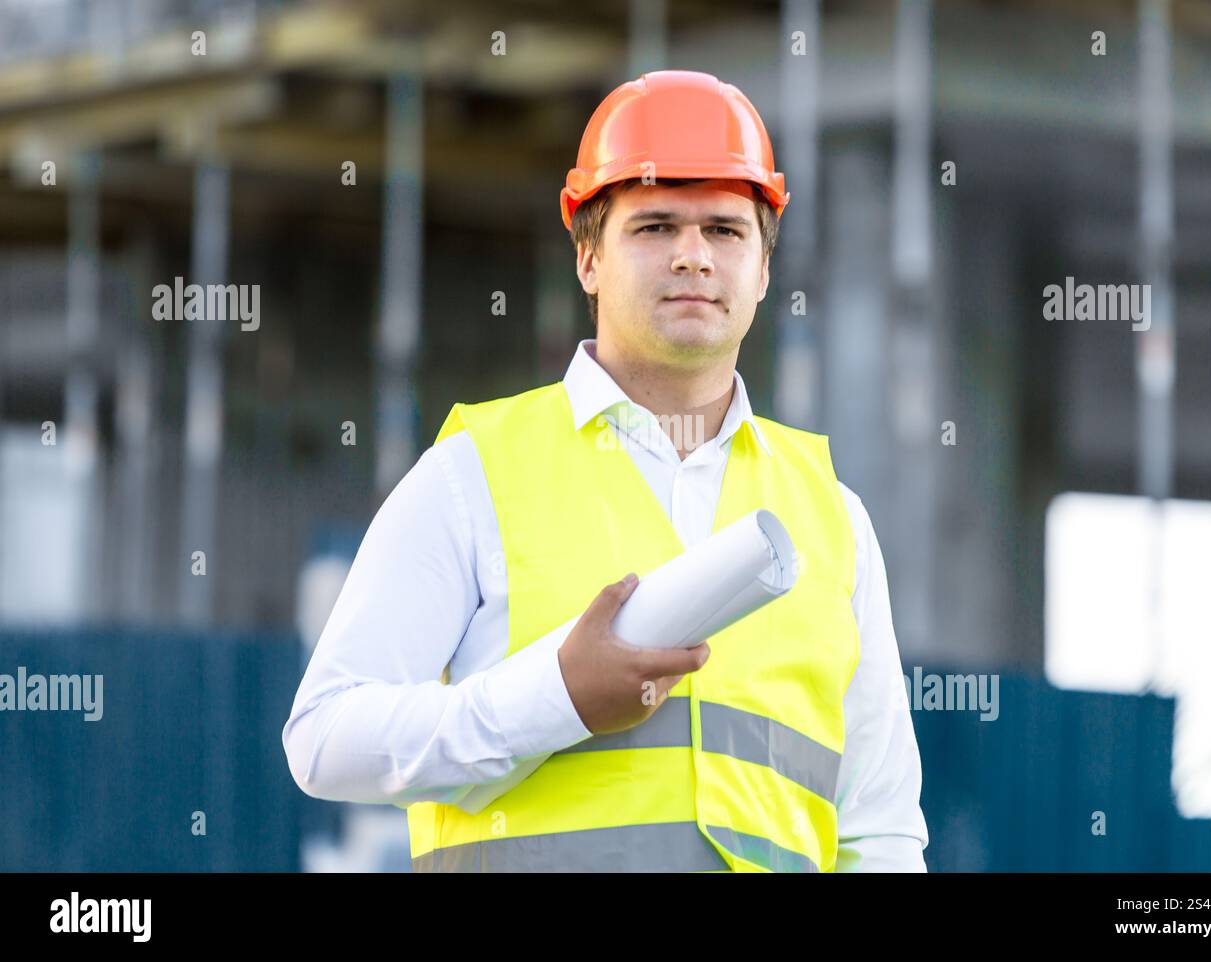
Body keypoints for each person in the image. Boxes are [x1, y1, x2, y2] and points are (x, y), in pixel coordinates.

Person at [283, 69, 928, 872]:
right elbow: (324, 739)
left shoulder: (833, 518)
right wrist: (555, 696)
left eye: (726, 231)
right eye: (655, 226)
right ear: (587, 257)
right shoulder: (473, 475)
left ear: (763, 270)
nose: (694, 257)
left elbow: (880, 828)